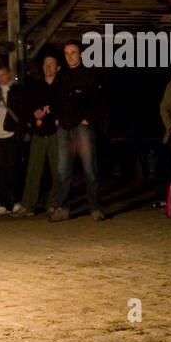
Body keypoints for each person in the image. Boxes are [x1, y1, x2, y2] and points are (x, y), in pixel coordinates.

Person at [50, 40, 105, 222]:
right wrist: (57, 118)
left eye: (73, 52)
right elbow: (54, 99)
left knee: (90, 168)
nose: (69, 56)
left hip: (82, 126)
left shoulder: (89, 74)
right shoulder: (62, 75)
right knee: (63, 171)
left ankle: (95, 208)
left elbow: (98, 101)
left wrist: (88, 119)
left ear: (80, 54)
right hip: (63, 127)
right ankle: (63, 208)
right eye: (66, 53)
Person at [17, 53, 60, 217]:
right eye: (45, 63)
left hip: (57, 134)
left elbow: (67, 106)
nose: (48, 67)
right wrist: (34, 113)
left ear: (57, 67)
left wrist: (52, 110)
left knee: (57, 171)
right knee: (33, 170)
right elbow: (27, 108)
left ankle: (53, 204)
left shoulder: (62, 86)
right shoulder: (35, 87)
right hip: (39, 134)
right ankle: (28, 205)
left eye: (51, 63)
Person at [0, 62, 26, 215]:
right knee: (2, 171)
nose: (0, 78)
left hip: (11, 135)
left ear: (9, 75)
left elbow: (23, 112)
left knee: (13, 169)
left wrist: (19, 132)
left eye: (3, 74)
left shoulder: (17, 91)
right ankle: (4, 202)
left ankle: (16, 201)